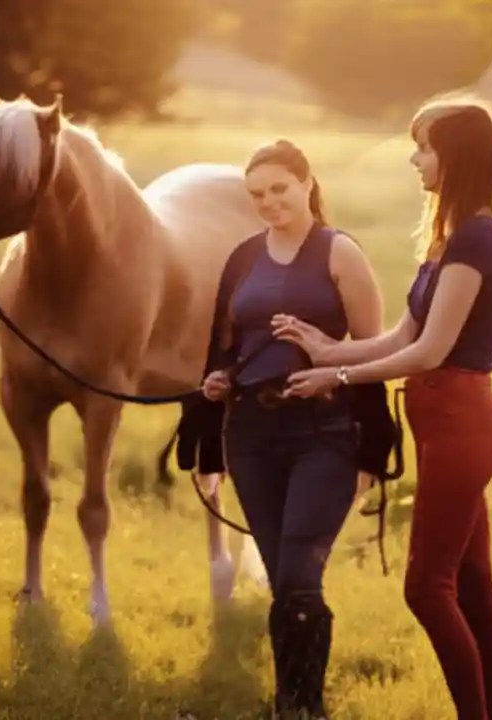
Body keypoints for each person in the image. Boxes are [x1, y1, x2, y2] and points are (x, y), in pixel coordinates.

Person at [273, 97, 492, 720]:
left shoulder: (476, 240)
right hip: (441, 425)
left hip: (462, 424)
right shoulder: (448, 239)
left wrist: (341, 375)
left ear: (455, 157)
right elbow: (405, 335)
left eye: (425, 148)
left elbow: (431, 352)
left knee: (427, 589)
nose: (414, 159)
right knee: (474, 586)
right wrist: (329, 349)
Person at [193, 139, 385, 719]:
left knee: (301, 577)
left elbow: (373, 352)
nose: (269, 202)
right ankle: (289, 708)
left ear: (306, 183)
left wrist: (368, 443)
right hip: (250, 435)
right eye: (257, 194)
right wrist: (220, 380)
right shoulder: (243, 257)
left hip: (323, 433)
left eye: (279, 188)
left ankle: (306, 709)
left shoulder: (340, 251)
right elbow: (226, 344)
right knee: (284, 583)